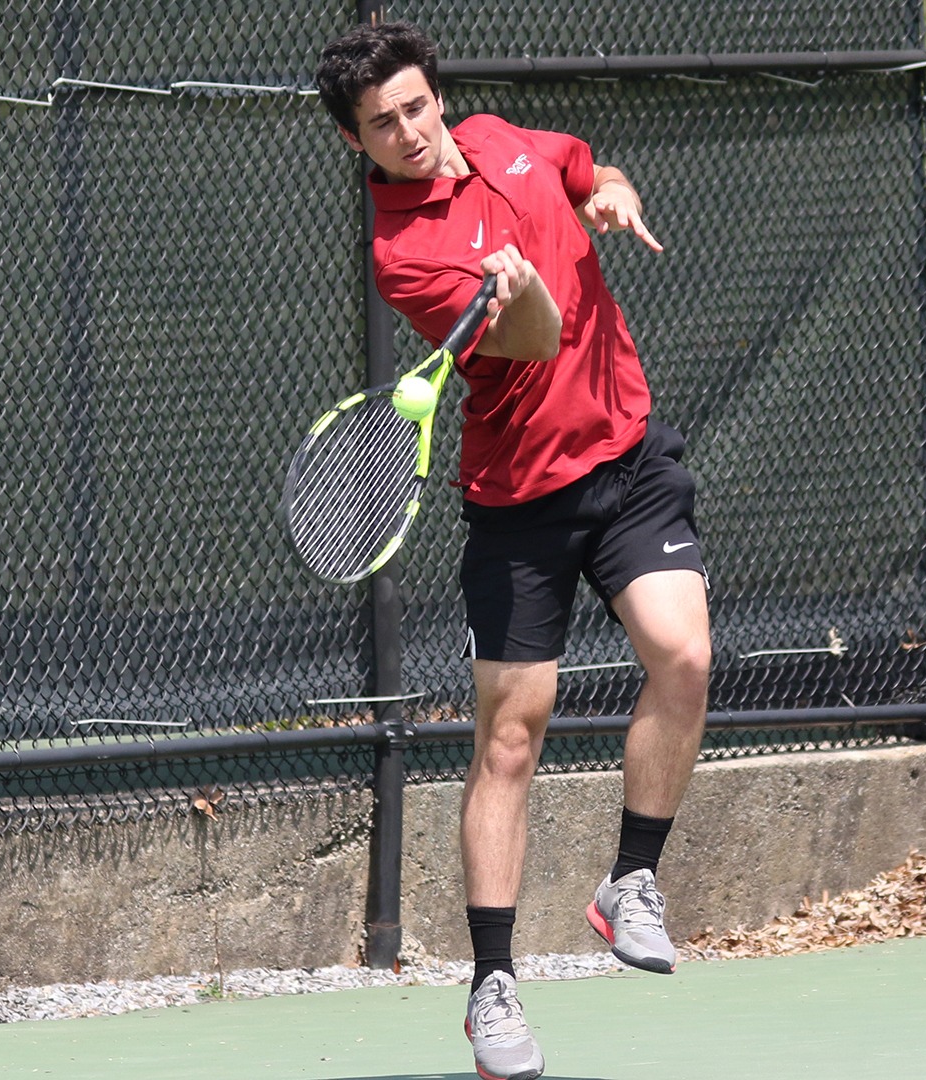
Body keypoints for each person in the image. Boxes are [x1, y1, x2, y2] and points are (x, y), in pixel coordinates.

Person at [318, 21, 712, 1080]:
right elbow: (531, 339)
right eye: (381, 124)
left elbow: (588, 168)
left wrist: (609, 193)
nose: (408, 131)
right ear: (356, 143)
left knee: (683, 657)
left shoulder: (501, 136)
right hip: (521, 503)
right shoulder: (404, 249)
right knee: (511, 740)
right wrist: (520, 283)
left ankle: (630, 882)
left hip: (628, 458)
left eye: (415, 106)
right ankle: (493, 986)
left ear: (438, 97)